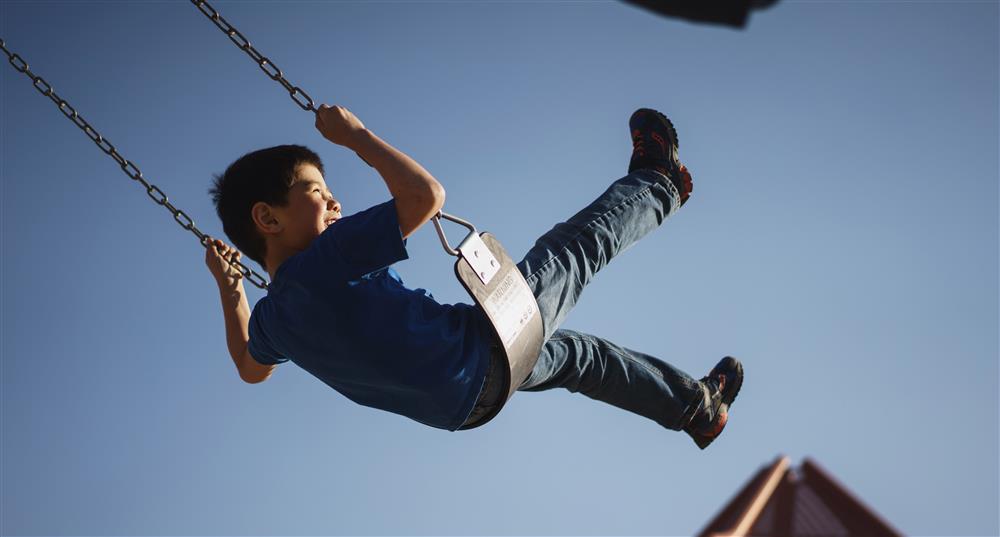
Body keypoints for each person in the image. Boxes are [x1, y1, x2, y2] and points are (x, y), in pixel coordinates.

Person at [204, 105, 743, 448]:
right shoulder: (324, 261)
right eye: (316, 191)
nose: (333, 199)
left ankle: (696, 408)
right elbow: (424, 197)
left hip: (464, 404)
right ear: (267, 218)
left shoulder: (273, 317)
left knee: (583, 359)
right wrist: (357, 136)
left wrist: (232, 293)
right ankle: (660, 183)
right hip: (477, 353)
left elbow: (251, 367)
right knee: (571, 253)